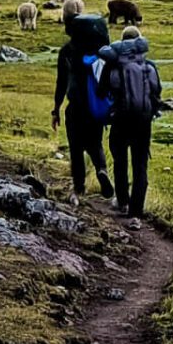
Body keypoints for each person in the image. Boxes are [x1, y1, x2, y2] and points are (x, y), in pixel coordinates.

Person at [52, 10, 114, 201]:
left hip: (75, 106)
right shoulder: (101, 53)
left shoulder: (67, 52)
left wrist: (56, 109)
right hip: (94, 106)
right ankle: (101, 169)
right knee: (96, 143)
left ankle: (79, 188)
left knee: (75, 147)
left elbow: (61, 82)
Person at [101, 31, 162, 221]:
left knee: (120, 160)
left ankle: (122, 201)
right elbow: (157, 90)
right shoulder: (148, 66)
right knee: (140, 164)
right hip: (143, 121)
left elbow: (101, 90)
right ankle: (136, 212)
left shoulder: (113, 65)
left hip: (121, 119)